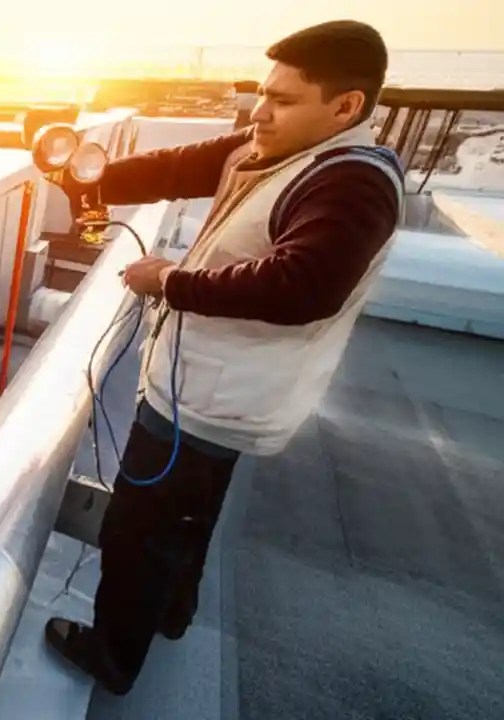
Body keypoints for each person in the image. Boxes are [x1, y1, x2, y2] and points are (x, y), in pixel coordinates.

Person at [44, 20, 404, 695]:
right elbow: (182, 165)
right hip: (221, 391)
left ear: (345, 107)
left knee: (134, 527)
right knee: (189, 513)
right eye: (262, 93)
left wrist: (171, 281)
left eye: (285, 98)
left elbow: (304, 287)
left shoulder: (353, 184)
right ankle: (174, 612)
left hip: (211, 400)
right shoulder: (279, 149)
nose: (261, 111)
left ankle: (112, 657)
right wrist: (89, 179)